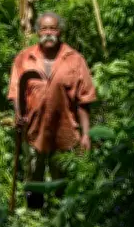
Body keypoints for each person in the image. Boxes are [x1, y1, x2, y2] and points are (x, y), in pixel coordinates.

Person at [7, 11, 97, 209]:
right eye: (45, 29)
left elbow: (84, 99)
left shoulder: (75, 59)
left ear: (60, 32)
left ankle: (62, 219)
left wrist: (86, 134)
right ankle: (34, 218)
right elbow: (16, 91)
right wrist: (19, 115)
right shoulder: (24, 58)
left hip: (64, 132)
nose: (49, 33)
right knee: (33, 179)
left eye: (53, 29)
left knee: (63, 182)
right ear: (38, 32)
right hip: (33, 132)